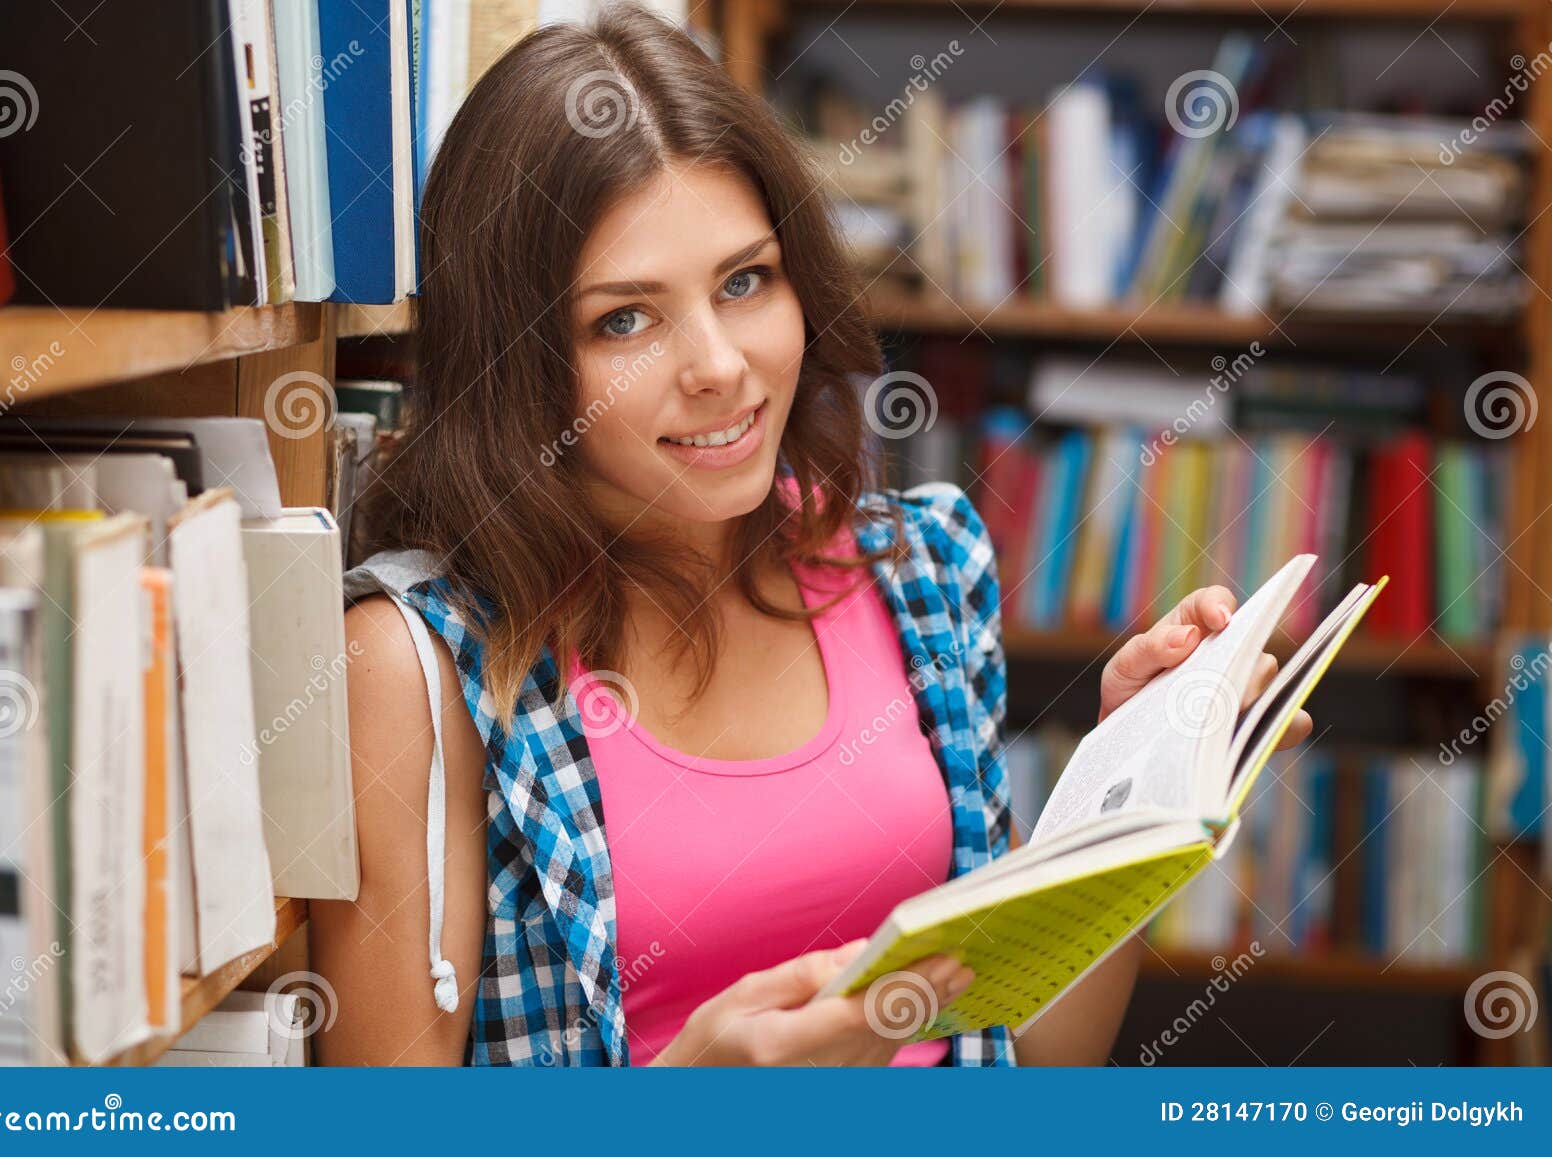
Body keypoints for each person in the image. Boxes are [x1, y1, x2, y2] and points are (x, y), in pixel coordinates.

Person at [313, 3, 1308, 1067]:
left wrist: (1136, 791)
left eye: (745, 281)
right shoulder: (415, 670)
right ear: (517, 366)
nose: (719, 365)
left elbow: (1021, 1060)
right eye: (624, 319)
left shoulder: (919, 572)